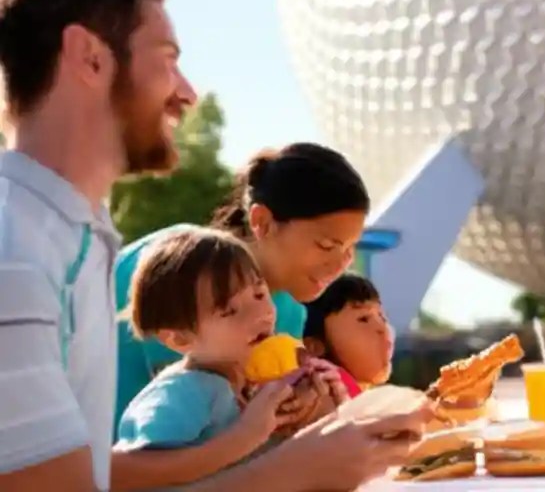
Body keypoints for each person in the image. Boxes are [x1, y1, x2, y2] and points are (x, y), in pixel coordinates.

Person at [0, 0, 428, 492]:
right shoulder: (15, 255)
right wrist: (290, 469)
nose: (187, 93)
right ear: (89, 59)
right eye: (167, 61)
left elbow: (96, 477)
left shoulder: (77, 239)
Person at [114, 141, 370, 426]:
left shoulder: (288, 313)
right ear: (262, 221)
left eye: (350, 248)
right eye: (326, 245)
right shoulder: (179, 270)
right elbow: (186, 418)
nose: (341, 265)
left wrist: (303, 402)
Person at [115, 228, 333, 489]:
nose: (259, 314)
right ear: (179, 339)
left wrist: (311, 411)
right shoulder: (183, 392)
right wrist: (243, 438)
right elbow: (124, 472)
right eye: (229, 310)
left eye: (259, 294)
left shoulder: (255, 384)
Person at [303, 273, 396, 397]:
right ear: (315, 346)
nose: (382, 327)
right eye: (363, 319)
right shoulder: (326, 394)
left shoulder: (364, 396)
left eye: (382, 317)